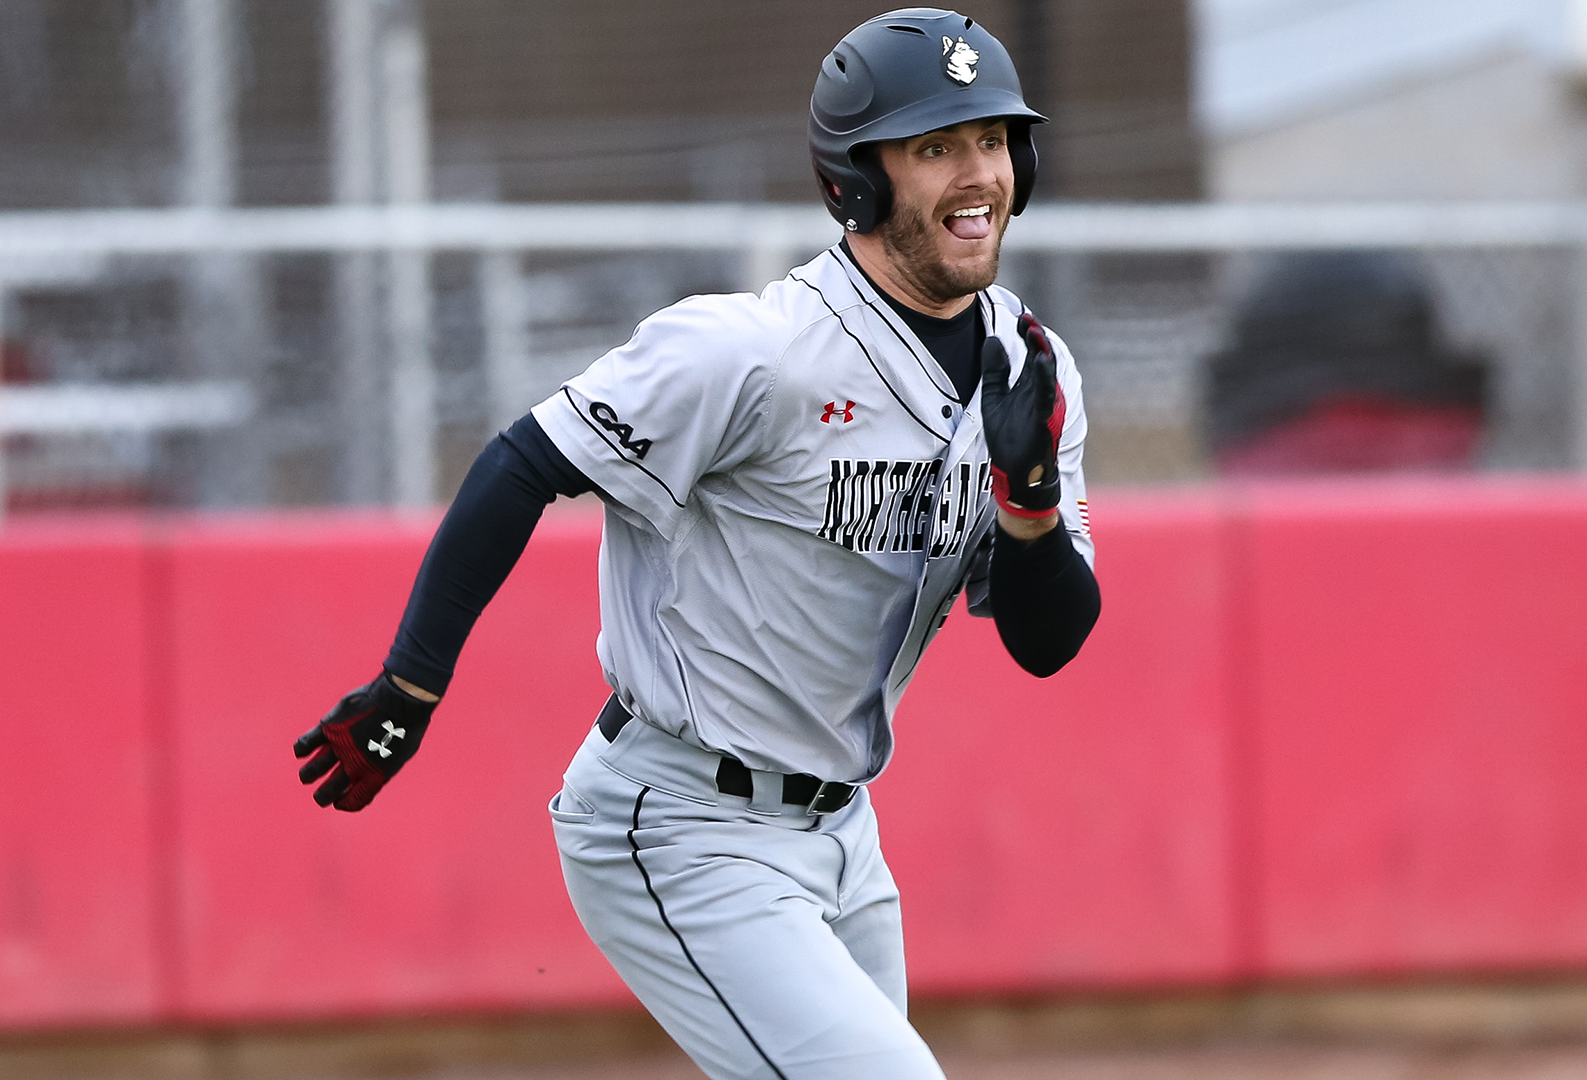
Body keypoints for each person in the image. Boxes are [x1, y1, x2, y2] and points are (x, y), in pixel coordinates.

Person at [293, 9, 1100, 1078]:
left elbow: (1049, 643)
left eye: (992, 140)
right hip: (681, 819)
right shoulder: (754, 352)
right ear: (856, 179)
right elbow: (521, 464)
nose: (976, 174)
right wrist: (411, 686)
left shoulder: (1028, 368)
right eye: (933, 146)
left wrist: (1030, 498)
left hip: (841, 836)